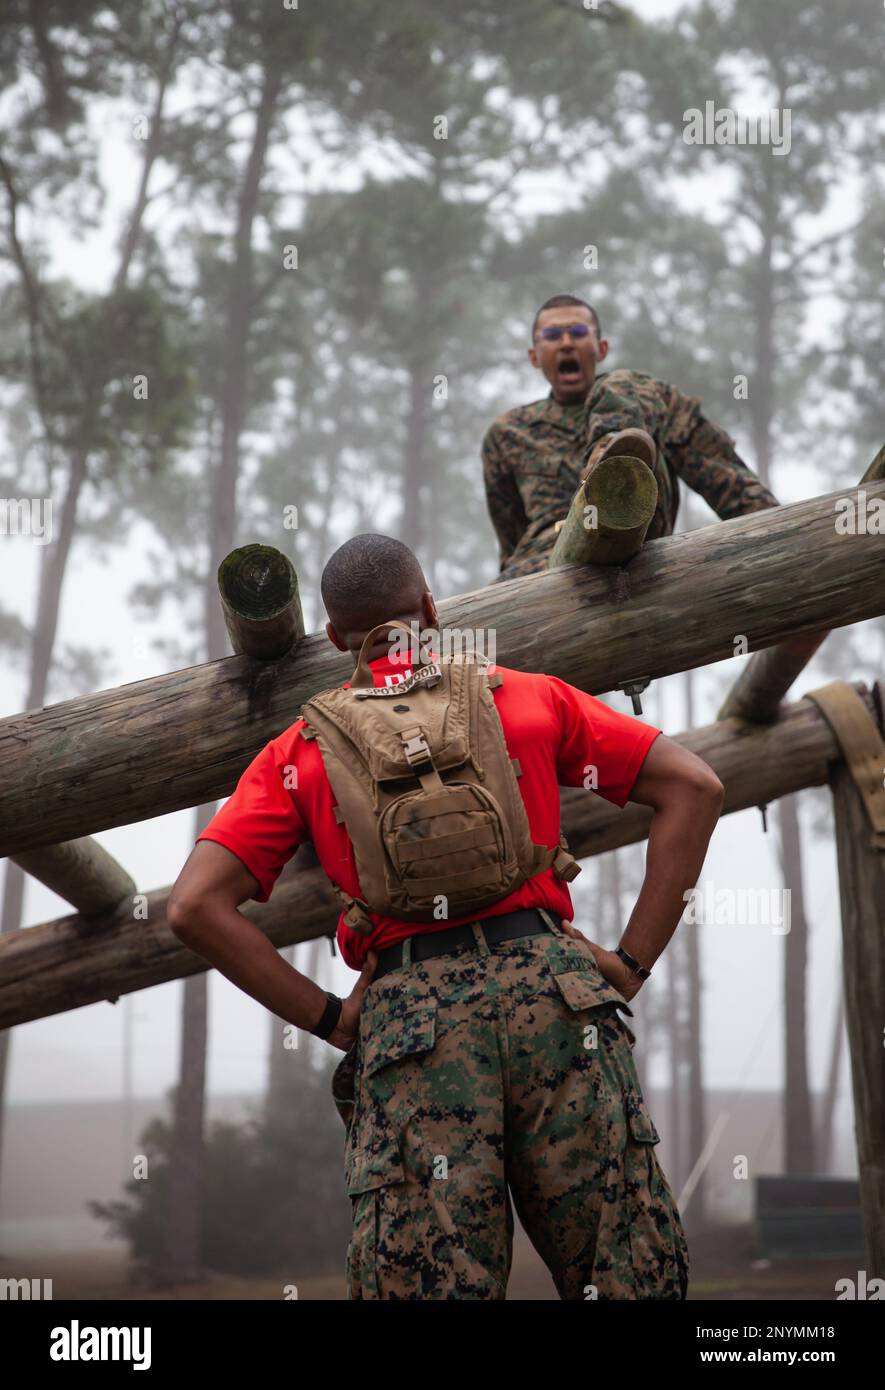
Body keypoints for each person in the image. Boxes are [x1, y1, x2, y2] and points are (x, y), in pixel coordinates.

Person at [167, 532, 724, 1300]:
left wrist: (330, 1017)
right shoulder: (526, 697)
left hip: (409, 1026)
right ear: (430, 610)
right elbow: (695, 787)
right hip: (558, 1004)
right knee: (623, 1274)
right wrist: (627, 963)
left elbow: (194, 907)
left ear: (333, 638)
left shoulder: (301, 749)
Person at [482, 293, 779, 579]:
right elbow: (512, 542)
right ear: (534, 357)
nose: (567, 343)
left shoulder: (652, 398)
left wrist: (779, 542)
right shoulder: (507, 433)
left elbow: (731, 484)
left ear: (601, 349)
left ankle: (615, 471)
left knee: (621, 383)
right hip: (546, 562)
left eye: (578, 331)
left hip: (638, 536)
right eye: (552, 335)